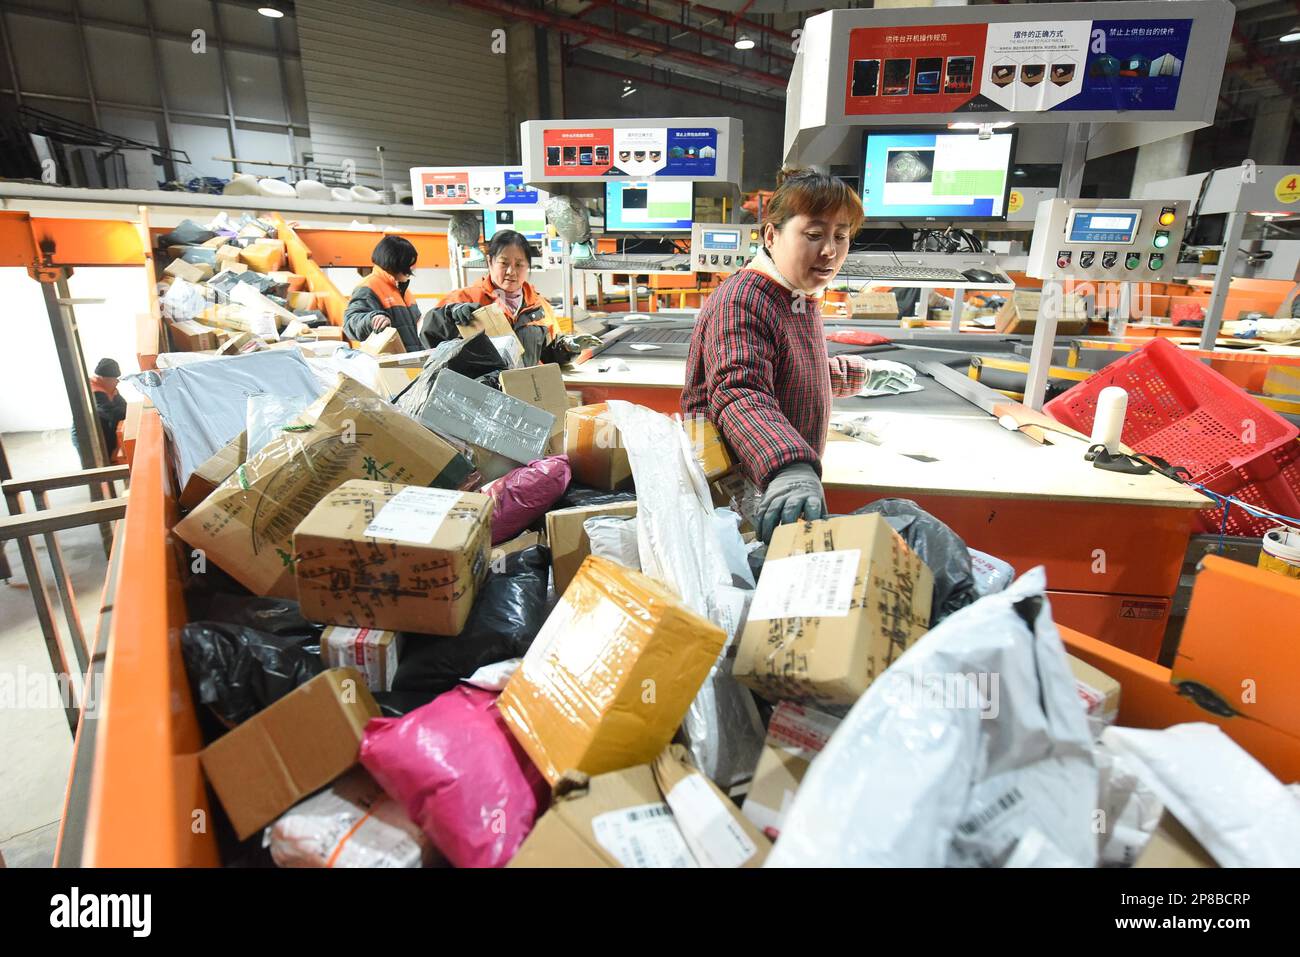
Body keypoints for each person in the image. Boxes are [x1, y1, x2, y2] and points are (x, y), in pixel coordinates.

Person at [682, 167, 869, 543]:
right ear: (771, 235)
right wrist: (790, 467)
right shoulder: (745, 299)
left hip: (771, 478)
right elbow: (739, 392)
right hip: (743, 493)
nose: (830, 250)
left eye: (841, 236)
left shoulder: (795, 295)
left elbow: (782, 367)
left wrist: (839, 374)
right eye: (814, 235)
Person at [420, 230, 600, 366]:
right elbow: (428, 336)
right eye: (504, 263)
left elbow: (546, 354)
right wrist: (448, 316)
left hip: (523, 391)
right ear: (490, 262)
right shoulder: (464, 298)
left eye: (519, 264)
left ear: (528, 266)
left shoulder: (539, 306)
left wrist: (567, 348)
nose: (511, 272)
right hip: (478, 397)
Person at [343, 235, 423, 351]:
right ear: (396, 262)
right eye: (409, 264)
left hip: (412, 362)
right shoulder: (368, 288)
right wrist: (372, 319)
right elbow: (350, 323)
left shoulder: (403, 289)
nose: (412, 269)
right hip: (392, 366)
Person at [88, 358, 127, 461]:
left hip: (103, 427)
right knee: (95, 465)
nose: (118, 381)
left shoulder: (107, 387)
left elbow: (124, 408)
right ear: (104, 378)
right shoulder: (95, 391)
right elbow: (115, 414)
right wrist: (117, 405)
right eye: (115, 378)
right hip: (89, 435)